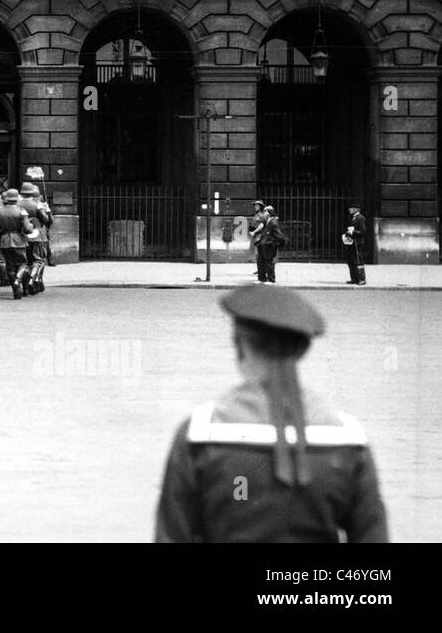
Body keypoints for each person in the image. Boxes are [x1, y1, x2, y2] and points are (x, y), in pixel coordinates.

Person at [155, 286, 388, 543]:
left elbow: (171, 536)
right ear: (301, 350)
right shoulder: (348, 440)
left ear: (240, 346)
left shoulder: (198, 435)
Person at [0, 188, 31, 300]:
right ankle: (17, 280)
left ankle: (15, 291)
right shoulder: (22, 211)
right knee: (22, 264)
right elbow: (27, 229)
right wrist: (31, 227)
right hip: (19, 240)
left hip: (5, 240)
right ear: (16, 198)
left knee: (10, 266)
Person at [255, 206, 286, 284]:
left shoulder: (273, 222)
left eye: (265, 211)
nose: (264, 213)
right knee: (260, 262)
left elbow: (280, 236)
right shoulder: (267, 221)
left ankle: (271, 280)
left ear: (269, 213)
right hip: (263, 246)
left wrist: (275, 244)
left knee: (268, 263)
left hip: (268, 246)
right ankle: (262, 279)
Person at [343, 203, 368, 286]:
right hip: (353, 242)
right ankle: (354, 278)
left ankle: (362, 279)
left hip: (358, 243)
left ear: (357, 209)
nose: (349, 210)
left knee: (358, 261)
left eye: (351, 208)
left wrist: (352, 232)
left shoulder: (360, 218)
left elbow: (363, 231)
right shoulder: (354, 218)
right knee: (351, 260)